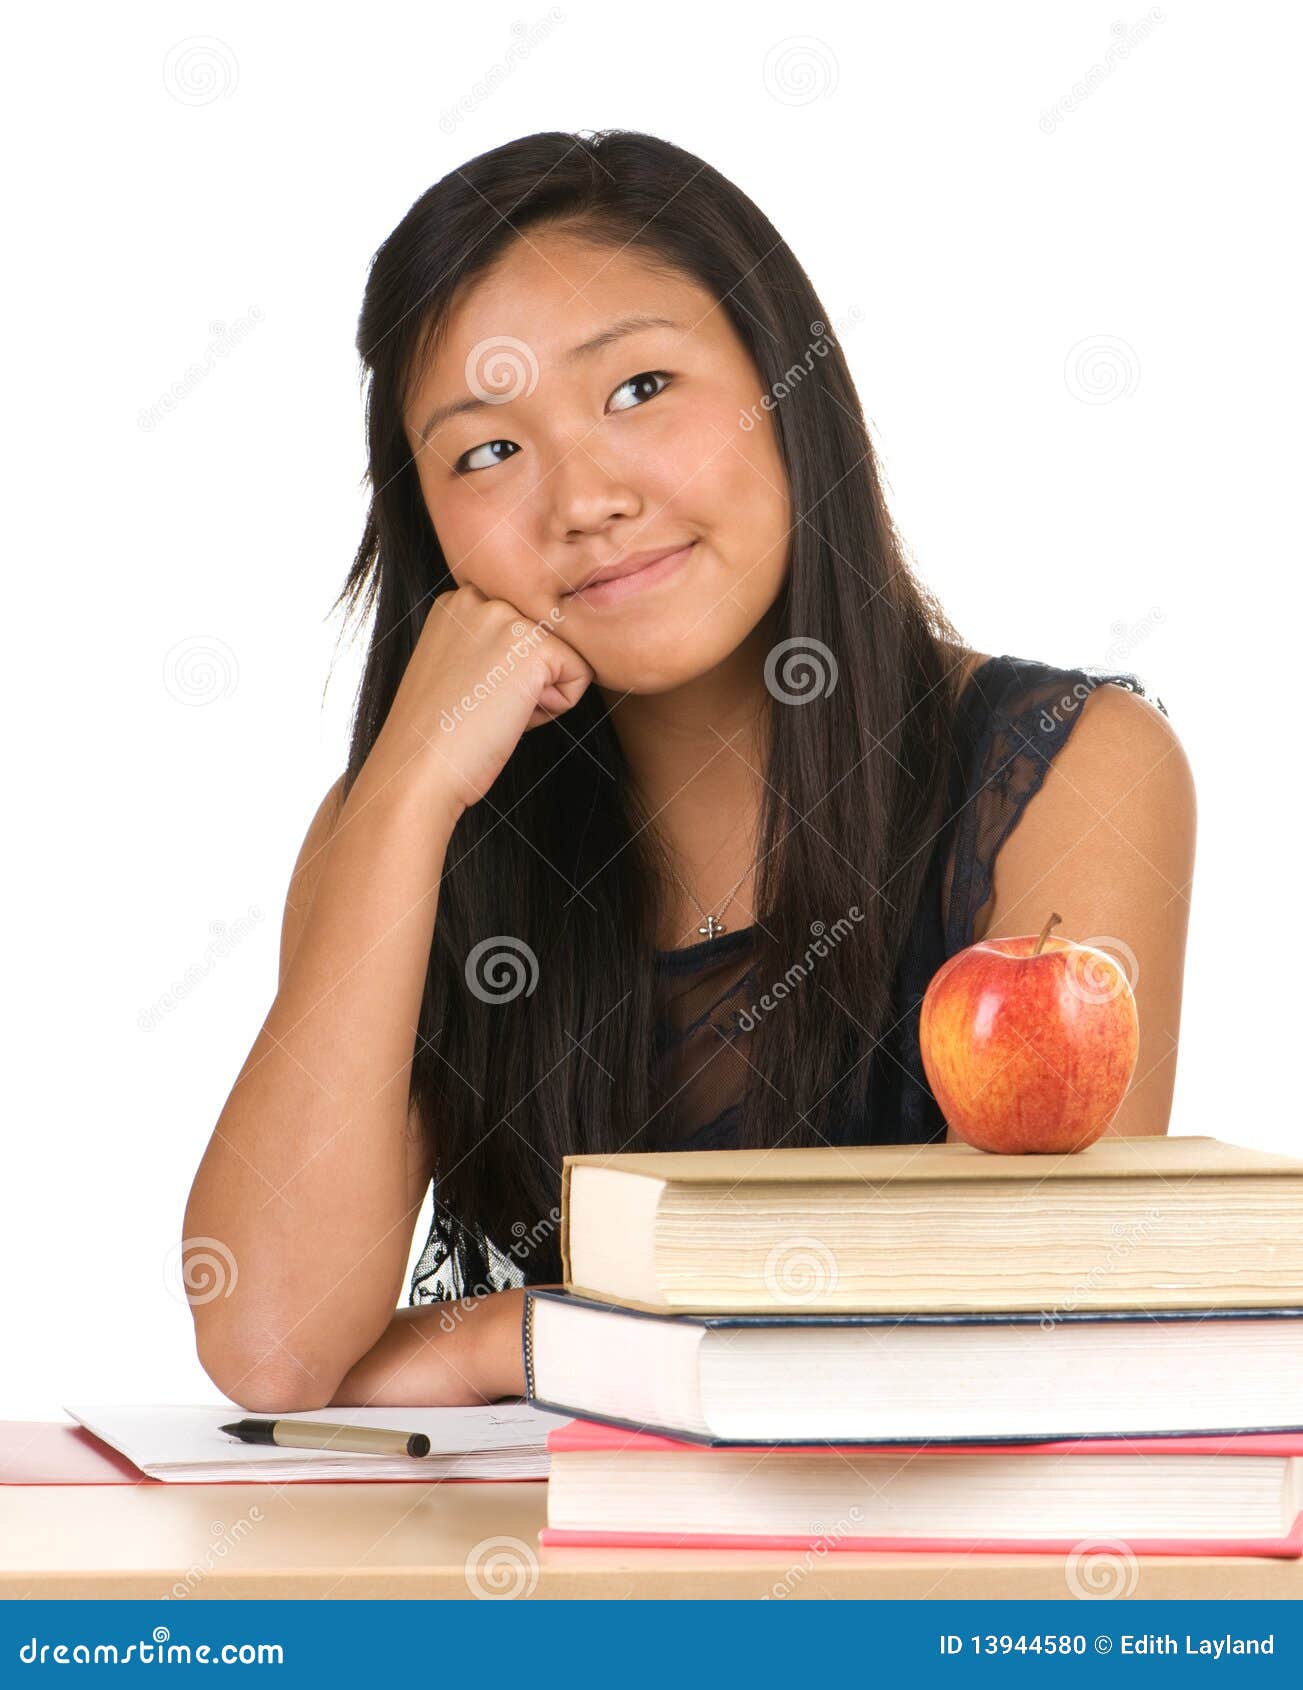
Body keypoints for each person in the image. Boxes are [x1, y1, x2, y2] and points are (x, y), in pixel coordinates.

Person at [183, 129, 1195, 1413]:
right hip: (547, 1578)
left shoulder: (1072, 766)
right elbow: (269, 1349)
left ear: (789, 388)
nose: (583, 498)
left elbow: (1030, 1300)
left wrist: (525, 1337)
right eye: (486, 452)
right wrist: (401, 794)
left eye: (638, 388)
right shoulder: (408, 827)